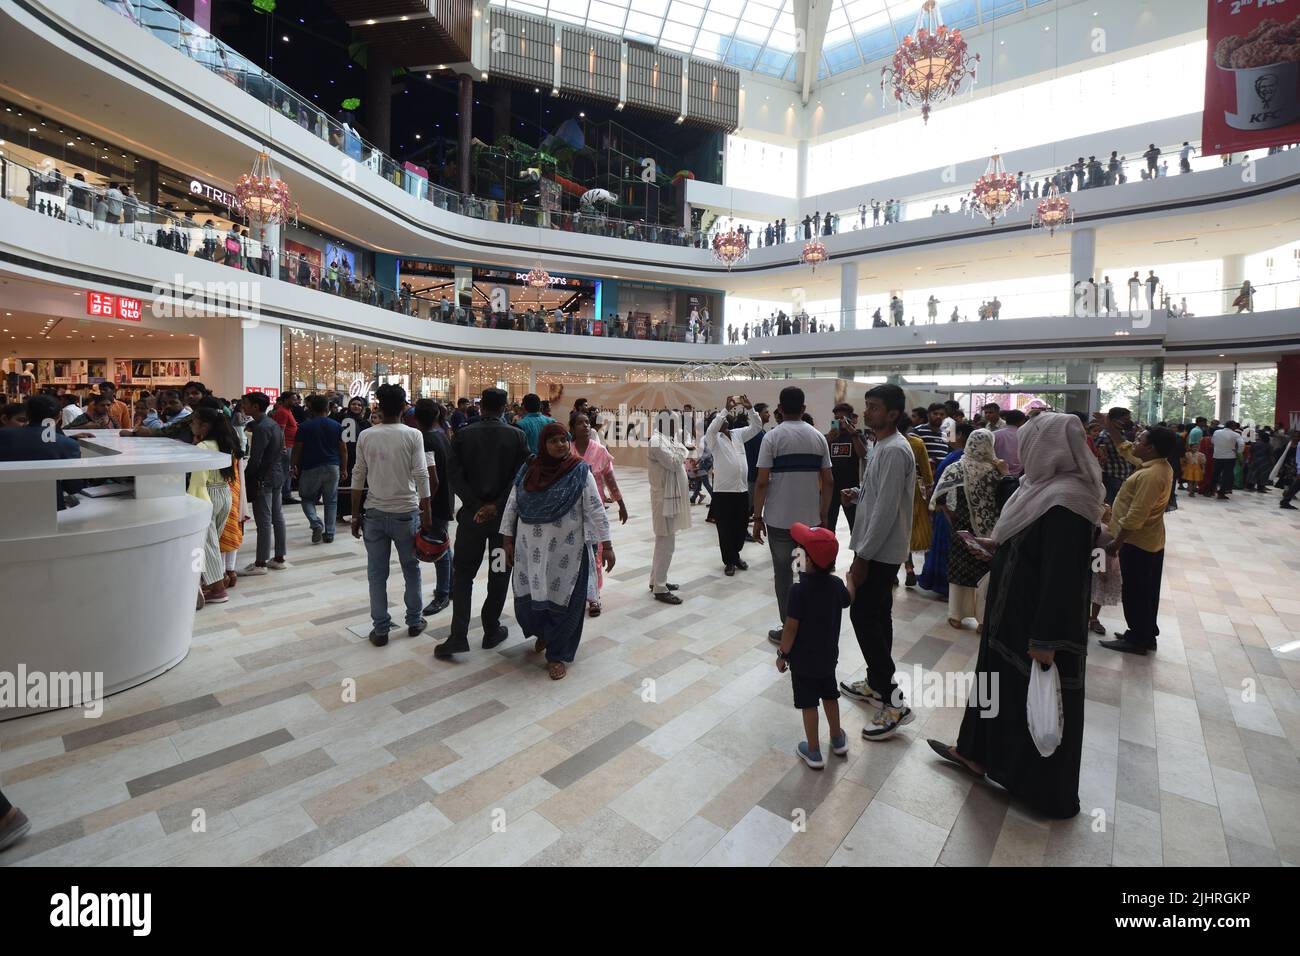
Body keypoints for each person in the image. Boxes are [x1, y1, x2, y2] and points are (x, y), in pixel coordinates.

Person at [927, 412, 1102, 818]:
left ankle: (1041, 791)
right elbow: (1029, 546)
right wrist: (996, 546)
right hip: (1009, 616)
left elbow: (1062, 578)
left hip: (1037, 628)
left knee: (1037, 703)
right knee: (994, 686)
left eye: (1029, 444)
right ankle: (975, 753)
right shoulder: (1036, 489)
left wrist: (1046, 640)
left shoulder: (1068, 502)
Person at [500, 423, 614, 680]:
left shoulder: (579, 471)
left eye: (564, 439)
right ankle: (543, 633)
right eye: (553, 441)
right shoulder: (529, 470)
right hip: (531, 552)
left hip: (569, 553)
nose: (560, 445)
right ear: (543, 444)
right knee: (531, 600)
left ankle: (558, 654)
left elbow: (596, 508)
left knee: (568, 604)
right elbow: (512, 504)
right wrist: (507, 539)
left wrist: (607, 545)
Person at [839, 384, 916, 740]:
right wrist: (859, 494)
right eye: (866, 406)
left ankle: (893, 700)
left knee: (863, 616)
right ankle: (874, 683)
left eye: (873, 407)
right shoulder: (882, 447)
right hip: (876, 549)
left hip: (879, 552)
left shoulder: (896, 450)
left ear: (893, 414)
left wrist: (863, 558)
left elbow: (886, 512)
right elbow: (882, 496)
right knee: (876, 616)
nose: (866, 412)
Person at [438, 388, 529, 659]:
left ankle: (458, 635)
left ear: (481, 407)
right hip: (503, 524)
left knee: (464, 573)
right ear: (503, 407)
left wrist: (477, 505)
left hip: (472, 521)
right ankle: (491, 629)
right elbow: (520, 477)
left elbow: (453, 474)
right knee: (499, 572)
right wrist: (496, 505)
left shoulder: (463, 435)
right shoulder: (517, 436)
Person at [350, 384, 431, 645]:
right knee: (411, 568)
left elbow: (358, 476)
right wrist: (426, 513)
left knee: (376, 572)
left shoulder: (366, 436)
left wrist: (354, 515)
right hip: (406, 512)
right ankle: (414, 620)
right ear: (404, 406)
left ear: (378, 407)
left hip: (373, 512)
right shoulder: (413, 435)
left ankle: (381, 629)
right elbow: (421, 474)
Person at [754, 387, 834, 643]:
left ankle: (788, 629)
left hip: (778, 521)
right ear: (803, 408)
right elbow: (829, 481)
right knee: (807, 573)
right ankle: (809, 625)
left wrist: (757, 517)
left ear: (780, 408)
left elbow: (762, 482)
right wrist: (824, 515)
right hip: (809, 523)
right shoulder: (818, 438)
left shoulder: (772, 438)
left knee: (783, 575)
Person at [775, 523, 851, 769]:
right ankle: (837, 739)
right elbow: (848, 599)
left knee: (809, 703)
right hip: (828, 658)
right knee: (830, 696)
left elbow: (790, 628)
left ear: (807, 560)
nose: (796, 552)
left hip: (803, 662)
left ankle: (814, 751)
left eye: (800, 550)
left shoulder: (798, 591)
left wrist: (783, 654)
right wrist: (852, 581)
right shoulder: (836, 585)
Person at [1100, 427, 1175, 656]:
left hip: (1137, 541)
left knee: (1135, 591)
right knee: (1146, 590)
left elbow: (1136, 514)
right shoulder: (1157, 465)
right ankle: (1144, 633)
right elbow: (1127, 452)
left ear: (1151, 447)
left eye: (1140, 440)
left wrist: (1117, 543)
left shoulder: (1151, 475)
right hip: (1148, 540)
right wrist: (1110, 427)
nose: (1134, 443)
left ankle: (1138, 639)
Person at [930, 427, 1003, 630]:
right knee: (984, 572)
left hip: (961, 527)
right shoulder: (996, 471)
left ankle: (956, 615)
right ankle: (982, 619)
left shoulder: (957, 467)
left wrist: (951, 515)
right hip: (990, 529)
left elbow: (940, 496)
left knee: (959, 569)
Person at [570, 410, 627, 615]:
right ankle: (576, 592)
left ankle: (594, 596)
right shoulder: (567, 451)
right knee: (577, 554)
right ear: (572, 428)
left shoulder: (600, 451)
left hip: (596, 511)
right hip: (571, 513)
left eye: (587, 422)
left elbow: (609, 478)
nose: (585, 425)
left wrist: (621, 503)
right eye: (580, 422)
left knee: (597, 552)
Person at [188, 407, 240, 606]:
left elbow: (199, 480)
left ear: (205, 425)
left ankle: (217, 589)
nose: (191, 425)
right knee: (212, 543)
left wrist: (194, 502)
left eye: (194, 421)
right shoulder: (227, 442)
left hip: (207, 493)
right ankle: (209, 582)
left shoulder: (203, 447)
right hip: (224, 493)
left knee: (206, 544)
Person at [705, 398, 763, 575]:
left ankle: (735, 554)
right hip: (723, 492)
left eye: (723, 417)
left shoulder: (738, 434)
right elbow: (712, 428)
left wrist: (750, 408)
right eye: (718, 418)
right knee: (725, 528)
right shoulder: (713, 438)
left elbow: (757, 427)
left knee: (741, 525)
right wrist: (724, 409)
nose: (722, 420)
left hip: (741, 490)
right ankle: (729, 561)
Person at [411, 400, 455, 617]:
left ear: (415, 418)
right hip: (446, 498)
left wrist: (423, 505)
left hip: (435, 502)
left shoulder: (426, 440)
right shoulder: (442, 435)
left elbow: (433, 479)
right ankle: (450, 586)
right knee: (444, 544)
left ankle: (443, 594)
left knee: (439, 549)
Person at [240, 391, 288, 575]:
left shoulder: (261, 427)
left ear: (255, 406)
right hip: (277, 475)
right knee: (277, 517)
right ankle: (279, 557)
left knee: (264, 521)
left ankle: (260, 563)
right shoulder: (272, 423)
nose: (243, 406)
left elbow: (256, 458)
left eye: (245, 403)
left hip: (264, 477)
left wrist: (248, 476)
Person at [647, 417, 692, 604]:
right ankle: (660, 588)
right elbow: (674, 462)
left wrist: (681, 448)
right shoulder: (656, 441)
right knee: (666, 543)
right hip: (662, 499)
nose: (678, 426)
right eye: (673, 422)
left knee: (663, 541)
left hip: (669, 498)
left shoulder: (669, 439)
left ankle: (655, 581)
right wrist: (684, 448)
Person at [292, 394, 347, 544]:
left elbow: (297, 448)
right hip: (333, 466)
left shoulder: (304, 426)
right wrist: (344, 468)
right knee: (331, 501)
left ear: (310, 409)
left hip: (311, 467)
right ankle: (329, 533)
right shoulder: (337, 426)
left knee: (307, 498)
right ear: (328, 408)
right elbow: (343, 450)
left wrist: (293, 465)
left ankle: (315, 522)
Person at [825, 403, 866, 536]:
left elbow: (864, 455)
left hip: (850, 489)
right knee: (829, 528)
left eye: (842, 419)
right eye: (836, 419)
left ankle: (858, 556)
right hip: (831, 488)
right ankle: (828, 557)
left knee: (855, 528)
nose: (839, 422)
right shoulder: (830, 436)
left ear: (849, 419)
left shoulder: (857, 436)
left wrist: (853, 433)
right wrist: (828, 440)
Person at [902, 423, 934, 588]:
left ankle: (907, 568)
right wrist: (929, 492)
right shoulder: (916, 442)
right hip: (911, 490)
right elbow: (927, 472)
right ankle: (909, 568)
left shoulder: (885, 441)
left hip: (892, 490)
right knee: (911, 528)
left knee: (899, 529)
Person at [271, 393, 299, 505]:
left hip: (290, 445)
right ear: (286, 400)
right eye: (293, 399)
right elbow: (280, 430)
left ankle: (286, 494)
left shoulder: (287, 411)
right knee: (285, 470)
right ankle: (283, 495)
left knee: (288, 470)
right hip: (286, 445)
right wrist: (282, 446)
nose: (296, 401)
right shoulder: (282, 412)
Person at [1210, 420, 1245, 500]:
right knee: (1226, 475)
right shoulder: (1235, 434)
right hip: (1230, 457)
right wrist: (1238, 451)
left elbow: (1212, 441)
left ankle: (1210, 491)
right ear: (1233, 426)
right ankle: (1221, 493)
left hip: (1217, 455)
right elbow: (1242, 444)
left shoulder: (1217, 432)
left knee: (1215, 474)